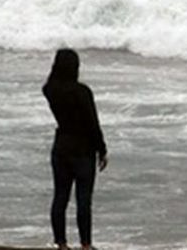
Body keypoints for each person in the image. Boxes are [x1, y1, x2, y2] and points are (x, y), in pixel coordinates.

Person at [43, 49, 108, 250]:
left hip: (61, 145)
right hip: (83, 148)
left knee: (60, 197)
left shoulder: (50, 90)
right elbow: (92, 122)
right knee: (83, 200)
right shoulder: (82, 92)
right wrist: (102, 149)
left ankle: (61, 244)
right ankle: (86, 245)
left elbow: (49, 83)